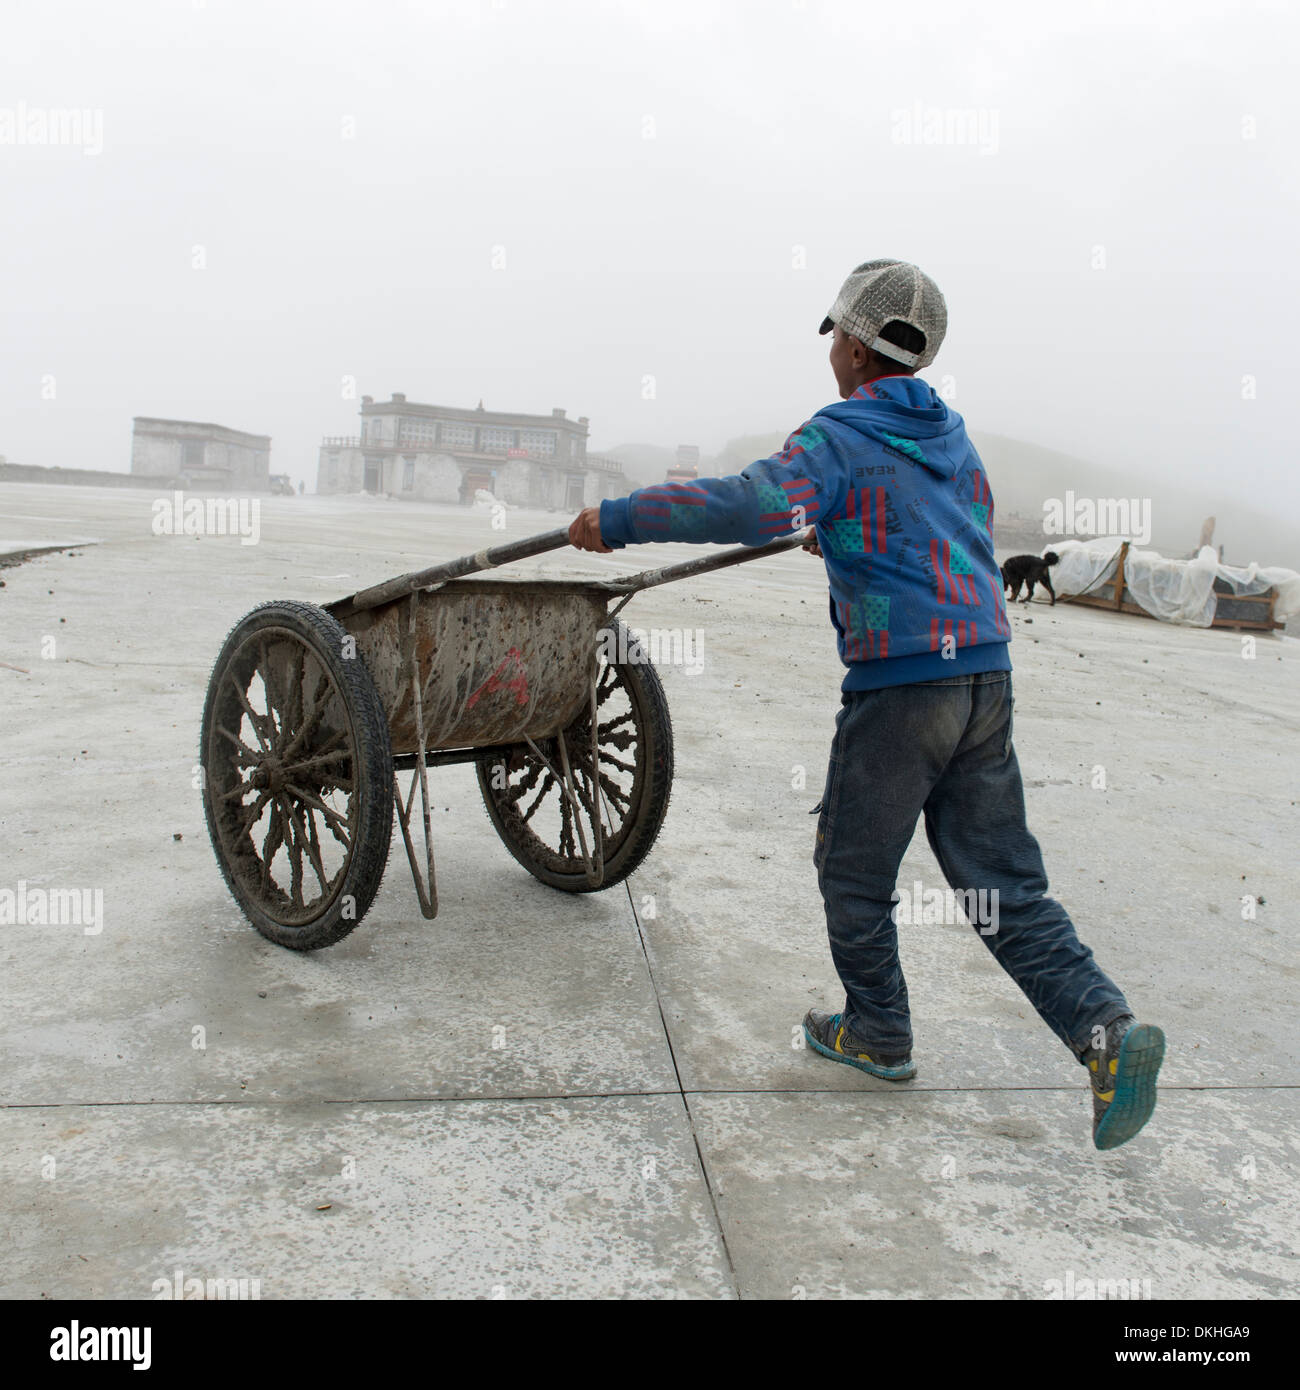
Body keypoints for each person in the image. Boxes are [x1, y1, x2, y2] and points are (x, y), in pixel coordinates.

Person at [569, 259, 1164, 1150]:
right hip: (985, 678)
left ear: (851, 343)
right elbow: (950, 530)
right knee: (1004, 884)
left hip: (904, 688)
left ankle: (877, 1031)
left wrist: (614, 519)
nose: (832, 353)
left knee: (851, 869)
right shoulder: (952, 435)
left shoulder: (840, 434)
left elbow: (748, 502)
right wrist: (848, 535)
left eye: (834, 337)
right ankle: (1107, 1035)